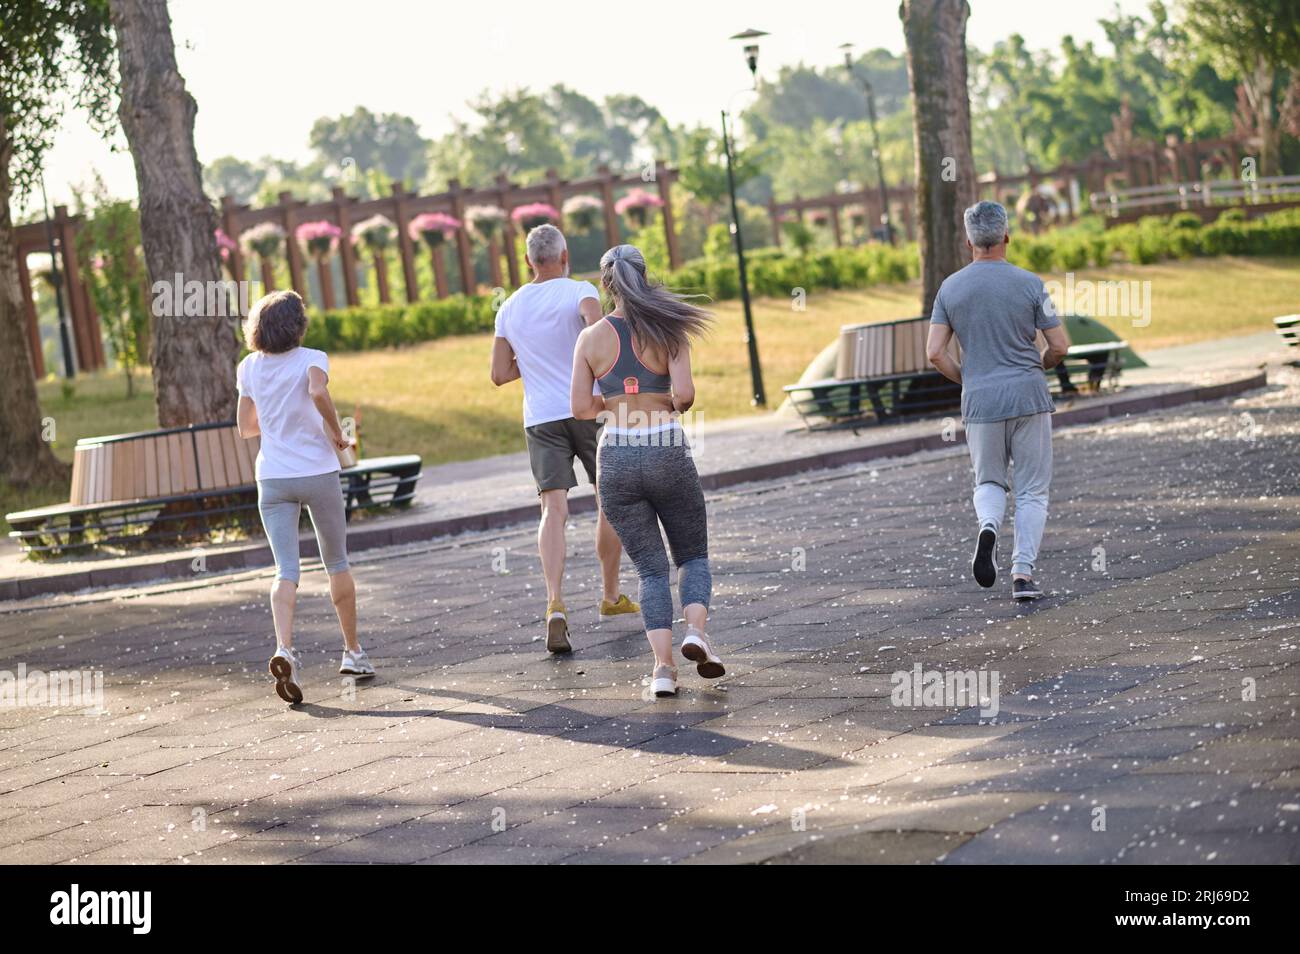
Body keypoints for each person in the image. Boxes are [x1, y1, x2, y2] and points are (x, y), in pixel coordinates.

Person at [571, 244, 722, 698]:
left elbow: (580, 408)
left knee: (651, 572)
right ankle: (695, 631)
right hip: (665, 448)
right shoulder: (669, 328)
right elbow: (686, 396)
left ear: (606, 284)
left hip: (614, 457)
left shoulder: (590, 338)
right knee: (691, 555)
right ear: (644, 275)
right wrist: (661, 399)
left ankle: (662, 671)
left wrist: (614, 401)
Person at [490, 224, 638, 653]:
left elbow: (499, 374)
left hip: (540, 419)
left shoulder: (509, 308)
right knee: (606, 500)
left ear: (527, 262)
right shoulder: (580, 292)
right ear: (565, 254)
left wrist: (532, 362)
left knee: (553, 510)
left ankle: (555, 601)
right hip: (588, 408)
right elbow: (601, 335)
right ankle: (610, 595)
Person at [926, 200, 1071, 601]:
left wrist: (968, 379)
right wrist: (1039, 364)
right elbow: (1059, 345)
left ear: (969, 240)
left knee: (988, 480)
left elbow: (935, 352)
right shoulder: (1030, 283)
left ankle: (988, 526)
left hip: (981, 401)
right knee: (1031, 490)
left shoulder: (950, 288)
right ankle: (1022, 575)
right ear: (1007, 235)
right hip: (1028, 395)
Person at [236, 290, 371, 703]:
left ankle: (285, 650)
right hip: (317, 473)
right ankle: (352, 653)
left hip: (273, 479)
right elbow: (316, 391)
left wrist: (277, 420)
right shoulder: (313, 357)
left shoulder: (249, 367)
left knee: (285, 570)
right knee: (336, 562)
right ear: (298, 325)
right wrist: (335, 432)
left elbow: (246, 426)